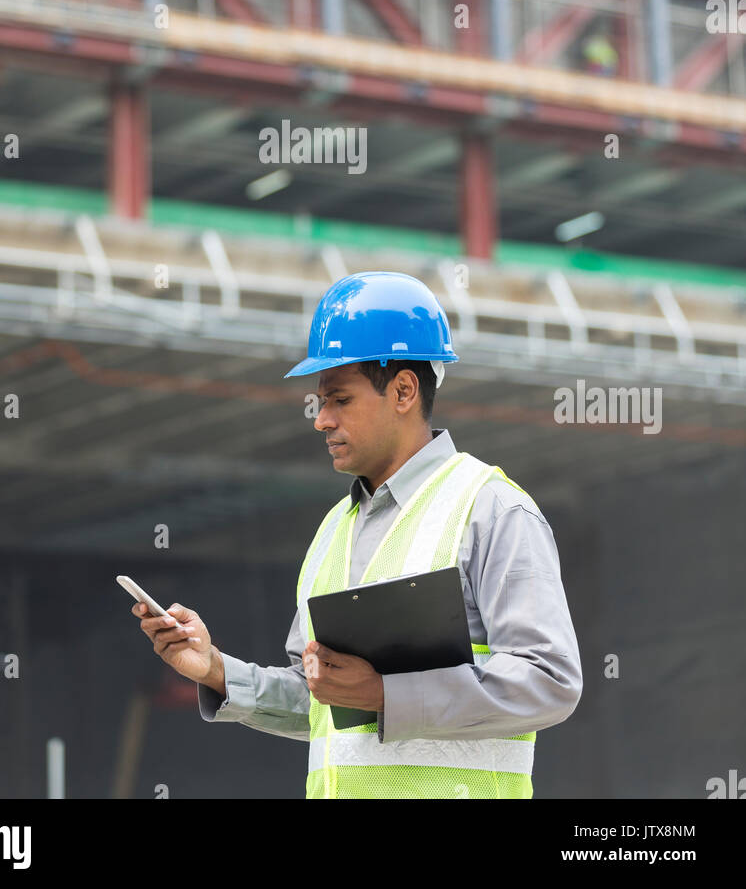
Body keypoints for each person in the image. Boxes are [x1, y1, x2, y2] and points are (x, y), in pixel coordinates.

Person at [132, 271, 582, 799]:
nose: (321, 420)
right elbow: (321, 701)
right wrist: (215, 671)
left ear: (404, 391)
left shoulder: (492, 509)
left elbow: (549, 680)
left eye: (339, 399)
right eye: (321, 402)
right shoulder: (332, 532)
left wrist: (387, 694)